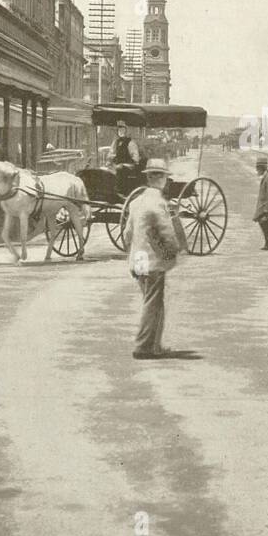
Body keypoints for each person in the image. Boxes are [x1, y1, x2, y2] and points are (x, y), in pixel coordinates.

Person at [124, 158, 180, 358]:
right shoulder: (158, 202)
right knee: (153, 303)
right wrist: (173, 251)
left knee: (151, 300)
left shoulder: (136, 202)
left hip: (137, 258)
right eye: (164, 177)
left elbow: (127, 234)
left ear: (148, 177)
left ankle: (155, 345)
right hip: (153, 260)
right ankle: (143, 346)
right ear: (162, 178)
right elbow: (167, 233)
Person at [111, 121, 141, 197]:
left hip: (128, 168)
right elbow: (112, 154)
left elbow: (135, 159)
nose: (120, 131)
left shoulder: (131, 142)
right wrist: (112, 162)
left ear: (126, 130)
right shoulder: (116, 142)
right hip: (117, 167)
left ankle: (122, 193)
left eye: (122, 129)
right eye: (119, 130)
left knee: (121, 172)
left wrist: (124, 164)